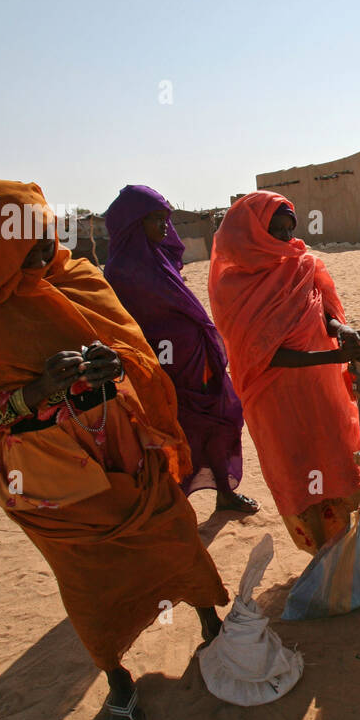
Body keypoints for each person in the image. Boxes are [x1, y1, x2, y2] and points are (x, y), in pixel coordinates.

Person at [0, 179, 230, 720]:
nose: (47, 255)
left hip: (125, 452)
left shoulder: (80, 280)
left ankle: (212, 621)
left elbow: (136, 354)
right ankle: (117, 677)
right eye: (29, 246)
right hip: (50, 482)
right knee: (92, 580)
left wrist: (113, 369)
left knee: (172, 534)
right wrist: (35, 394)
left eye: (48, 238)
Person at [208, 191, 360, 554]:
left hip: (320, 387)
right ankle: (325, 555)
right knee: (298, 465)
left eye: (289, 230)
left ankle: (353, 552)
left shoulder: (302, 264)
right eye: (275, 231)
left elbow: (324, 313)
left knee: (336, 454)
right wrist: (330, 359)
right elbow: (260, 357)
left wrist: (342, 332)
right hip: (275, 397)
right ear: (251, 232)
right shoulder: (231, 286)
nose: (285, 240)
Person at [103, 185, 257, 513]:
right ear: (133, 224)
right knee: (171, 434)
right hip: (158, 371)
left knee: (217, 421)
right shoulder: (120, 271)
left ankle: (224, 493)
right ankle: (176, 505)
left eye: (165, 219)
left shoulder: (162, 260)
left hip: (196, 361)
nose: (164, 227)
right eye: (155, 220)